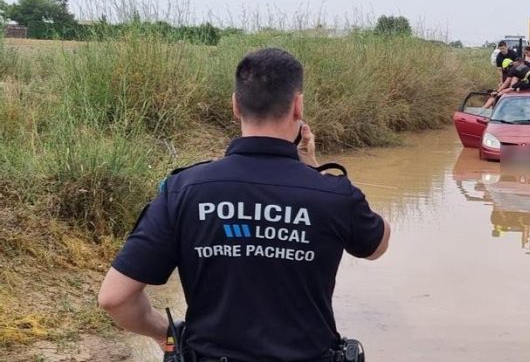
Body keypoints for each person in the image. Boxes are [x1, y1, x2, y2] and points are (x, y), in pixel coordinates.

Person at [98, 48, 391, 362]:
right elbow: (378, 244)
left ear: (235, 105)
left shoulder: (184, 190)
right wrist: (314, 170)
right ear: (298, 106)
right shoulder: (333, 194)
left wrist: (166, 333)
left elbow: (115, 298)